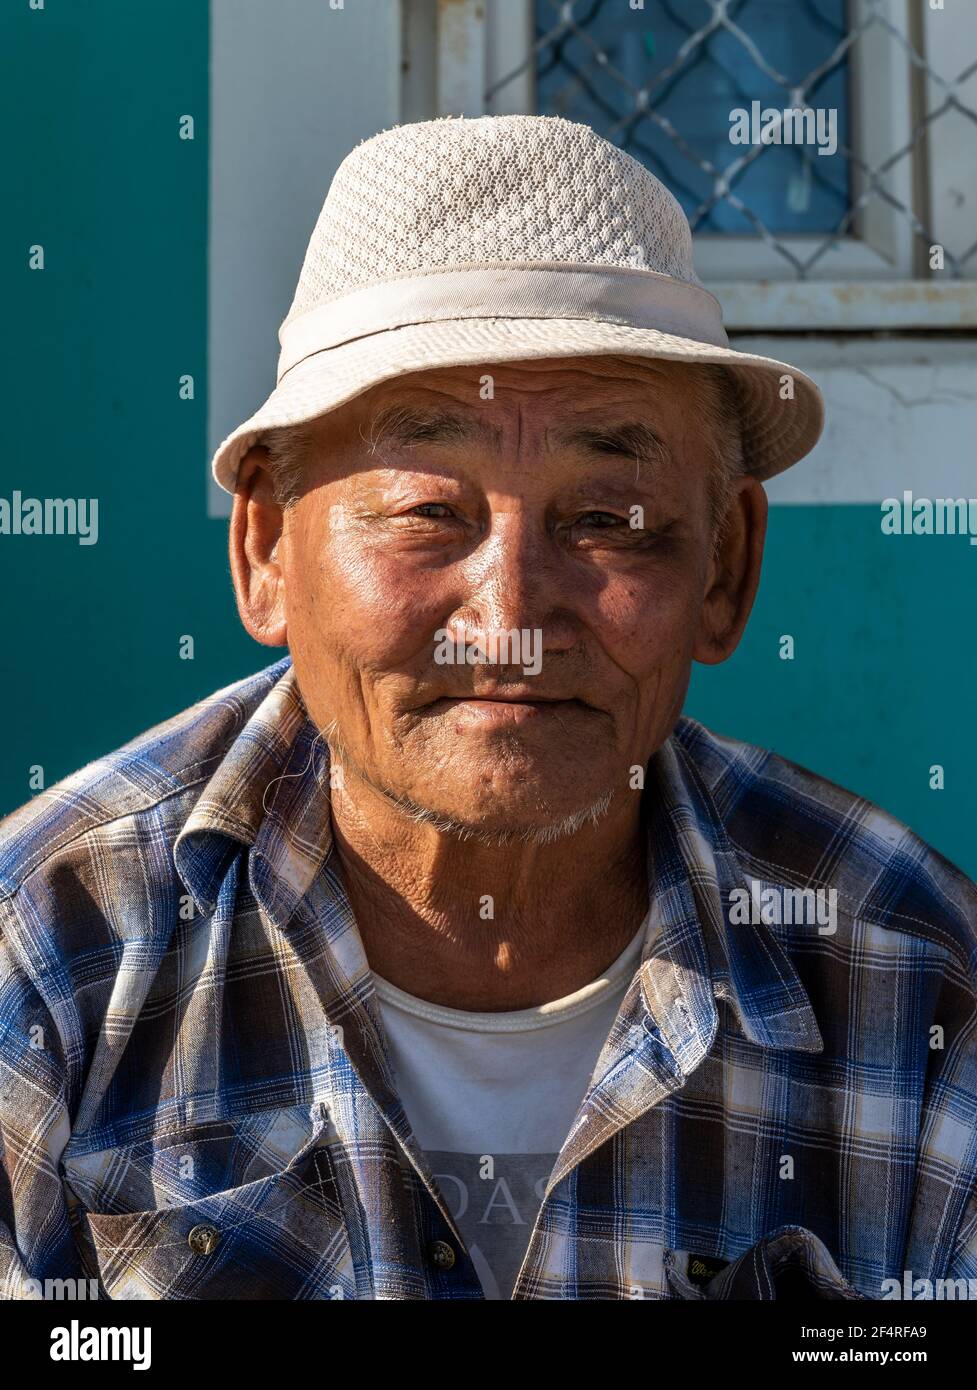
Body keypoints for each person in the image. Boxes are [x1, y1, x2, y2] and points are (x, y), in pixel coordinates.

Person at [2, 115, 975, 1302]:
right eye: (425, 511)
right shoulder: (46, 964)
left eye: (605, 518)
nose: (511, 613)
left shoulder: (918, 983)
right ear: (264, 549)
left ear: (723, 570)